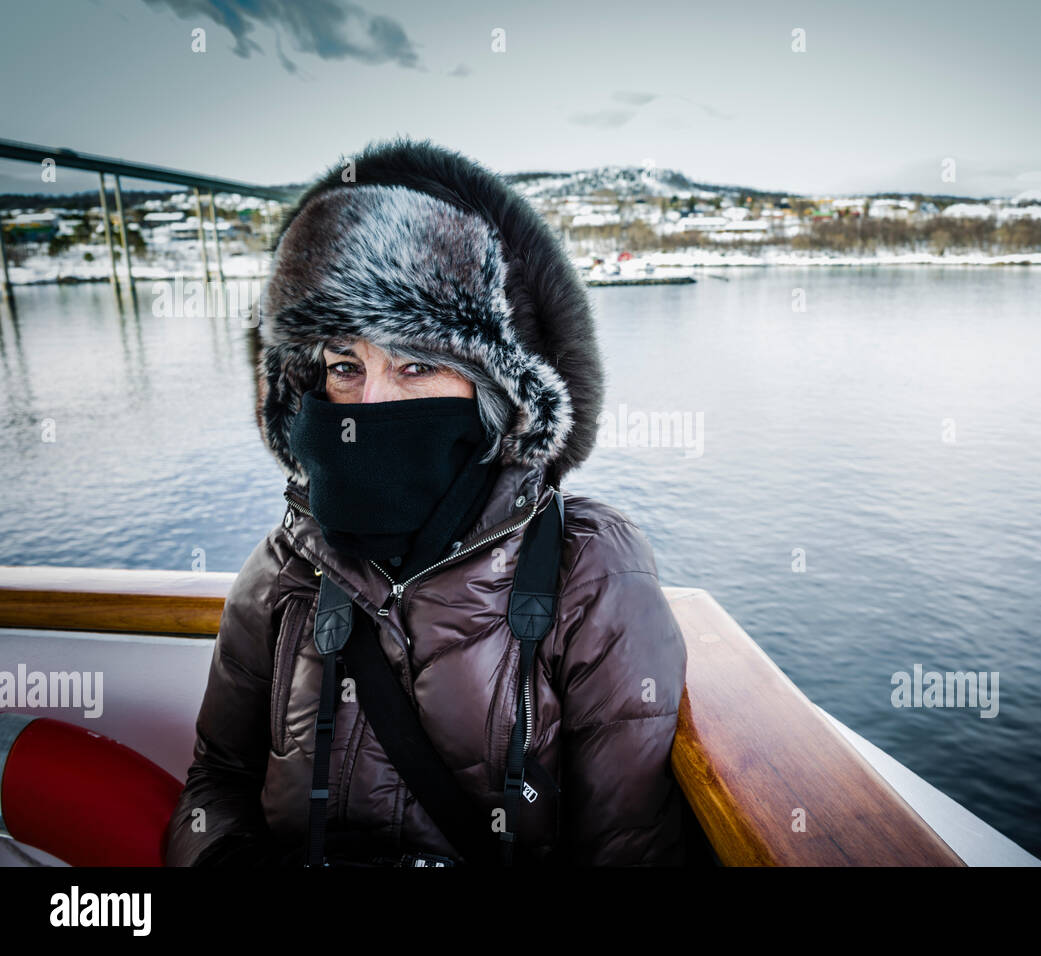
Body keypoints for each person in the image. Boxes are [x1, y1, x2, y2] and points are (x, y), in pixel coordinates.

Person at [163, 138, 688, 867]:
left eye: (416, 364)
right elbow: (217, 783)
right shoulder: (287, 565)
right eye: (346, 366)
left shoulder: (586, 570)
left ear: (497, 394)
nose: (369, 404)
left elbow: (630, 850)